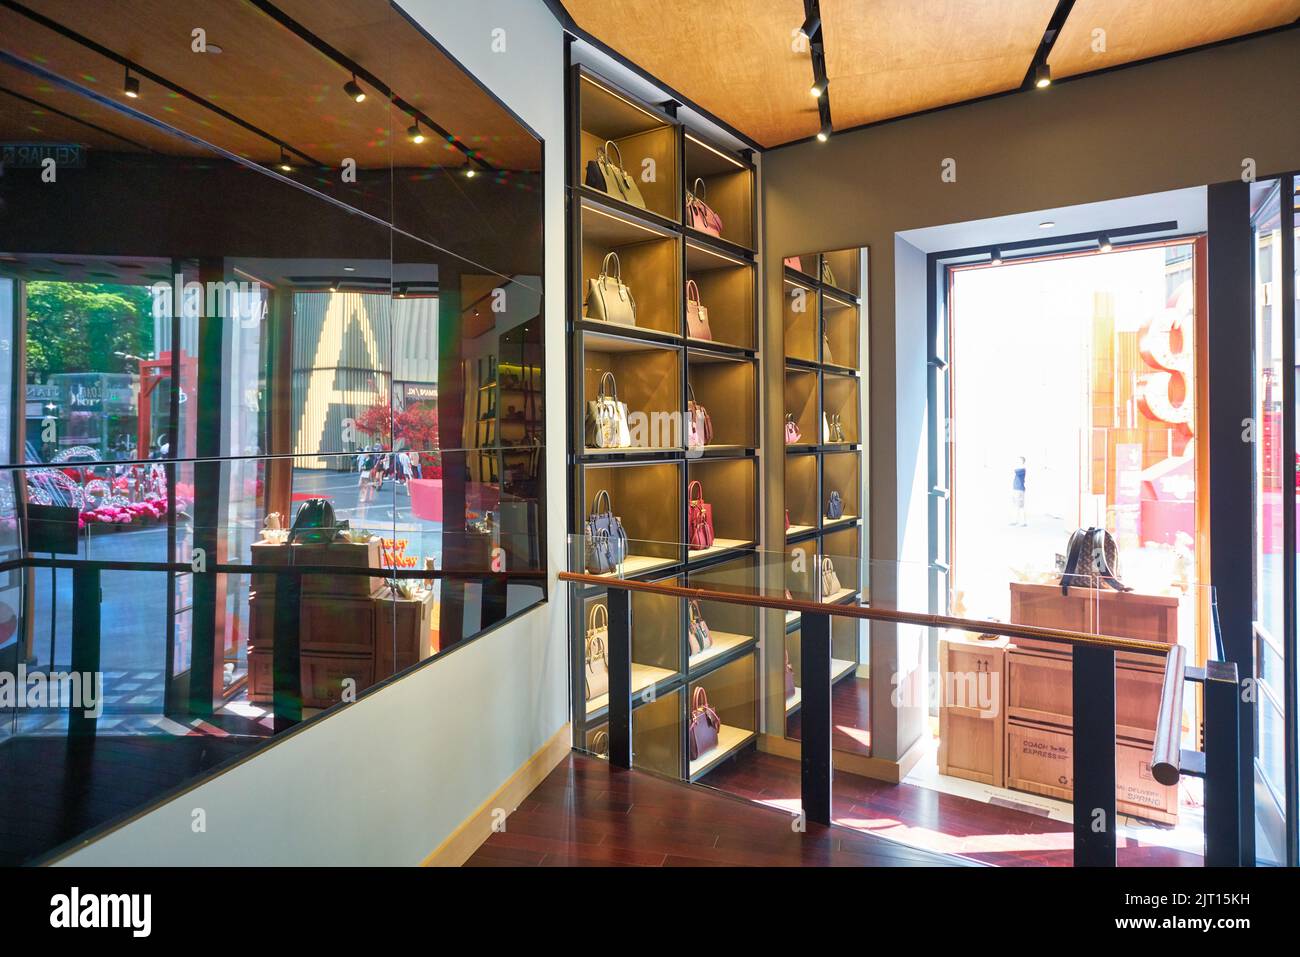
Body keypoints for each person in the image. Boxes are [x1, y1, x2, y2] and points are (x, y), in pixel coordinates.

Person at [1010, 456, 1027, 526]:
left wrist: (1014, 466)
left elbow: (1016, 471)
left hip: (1019, 489)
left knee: (1020, 506)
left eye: (1019, 460)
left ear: (1022, 461)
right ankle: (1016, 521)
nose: (1017, 461)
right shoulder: (1020, 468)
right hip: (1016, 489)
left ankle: (1021, 522)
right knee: (1016, 505)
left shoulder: (1022, 469)